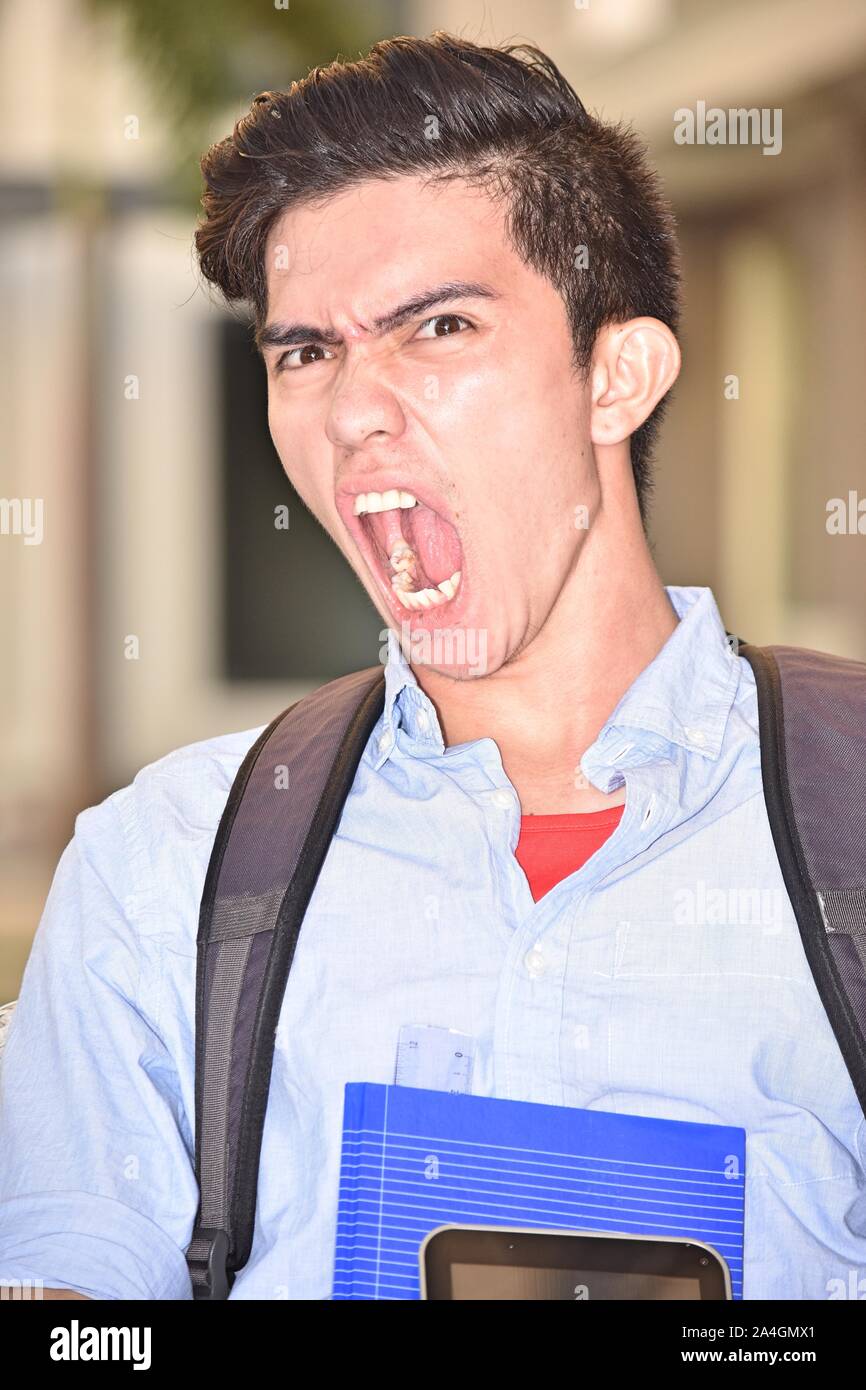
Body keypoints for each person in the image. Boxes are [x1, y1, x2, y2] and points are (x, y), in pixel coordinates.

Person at [1, 31, 863, 1301]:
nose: (352, 407)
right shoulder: (159, 873)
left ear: (615, 375)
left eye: (437, 325)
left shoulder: (846, 817)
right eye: (305, 351)